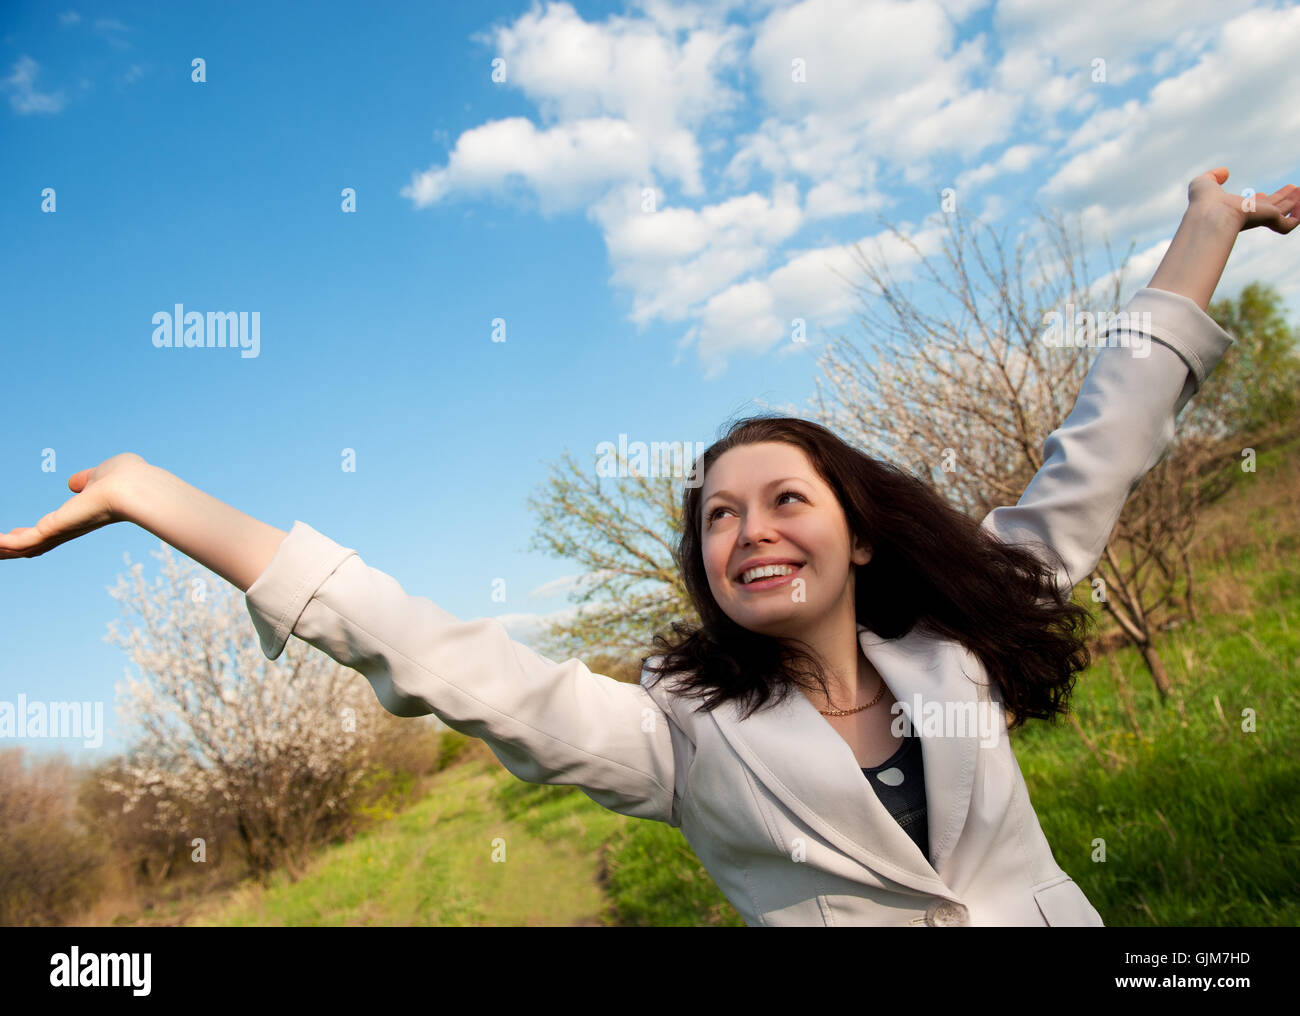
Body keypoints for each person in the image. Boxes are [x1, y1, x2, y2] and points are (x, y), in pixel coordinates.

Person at [2, 168, 1293, 926]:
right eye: (718, 517)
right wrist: (157, 497)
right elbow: (447, 662)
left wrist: (1204, 234)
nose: (750, 529)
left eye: (785, 499)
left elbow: (1098, 450)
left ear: (855, 528)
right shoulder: (680, 738)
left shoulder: (955, 648)